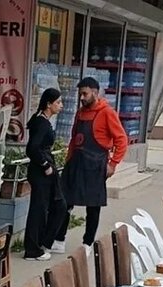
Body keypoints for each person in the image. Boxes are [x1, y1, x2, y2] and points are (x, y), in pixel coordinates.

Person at [53, 77, 127, 252]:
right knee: (65, 202)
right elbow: (73, 139)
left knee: (93, 206)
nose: (82, 98)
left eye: (85, 94)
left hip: (96, 164)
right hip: (76, 162)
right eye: (80, 94)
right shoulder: (80, 113)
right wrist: (68, 160)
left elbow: (121, 140)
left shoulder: (107, 113)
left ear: (95, 92)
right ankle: (59, 239)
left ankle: (88, 243)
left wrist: (113, 164)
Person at [23, 88, 67, 262]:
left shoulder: (43, 121)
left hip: (47, 172)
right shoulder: (41, 123)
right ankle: (32, 249)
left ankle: (44, 242)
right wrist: (45, 164)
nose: (61, 106)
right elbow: (32, 148)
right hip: (41, 172)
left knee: (58, 205)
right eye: (58, 102)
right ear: (49, 104)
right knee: (39, 210)